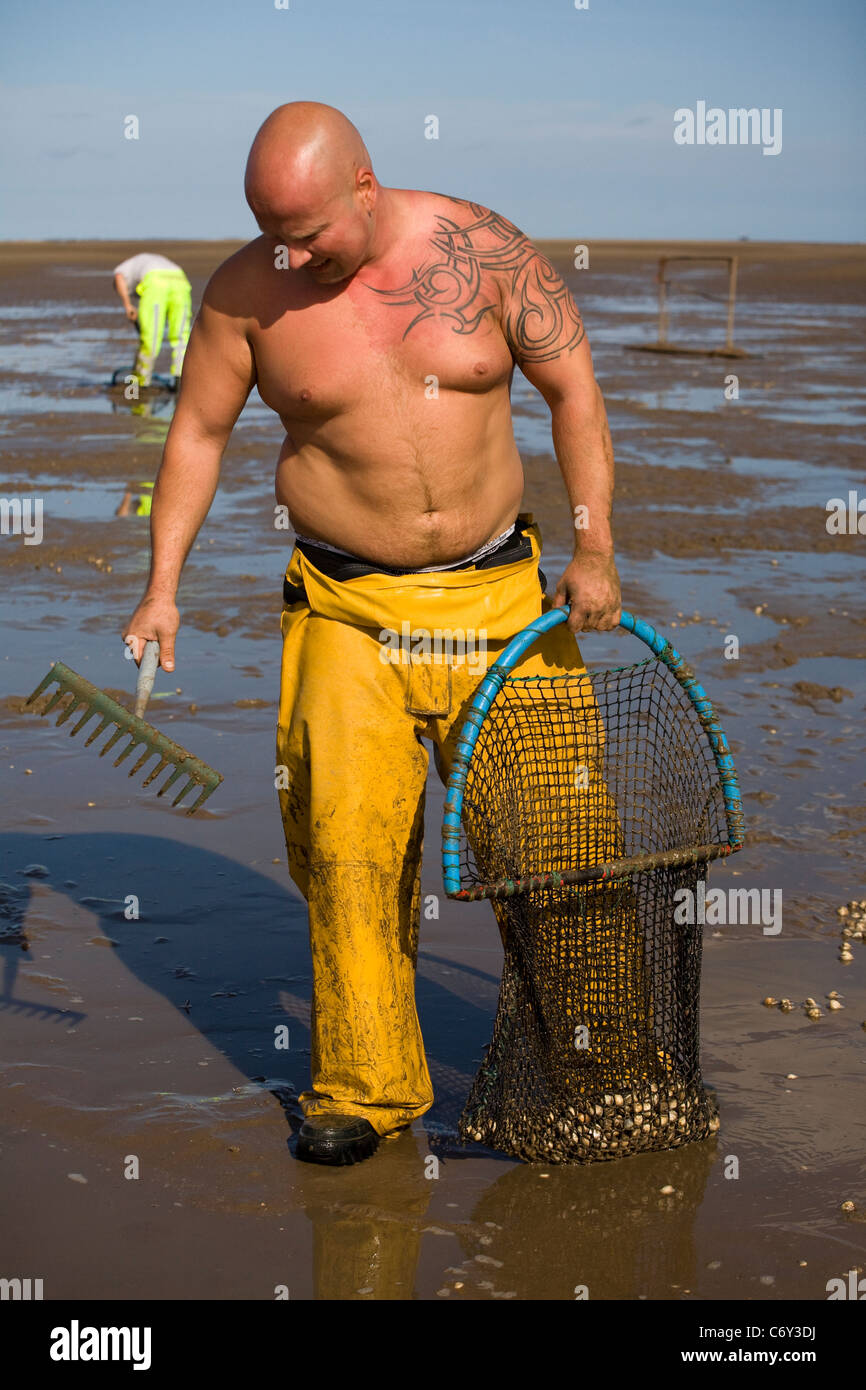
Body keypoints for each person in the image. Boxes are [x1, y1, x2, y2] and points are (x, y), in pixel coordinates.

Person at [123, 102, 621, 1166]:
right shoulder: (245, 297)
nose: (289, 252)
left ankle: (585, 1062)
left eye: (308, 231)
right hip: (345, 609)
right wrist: (161, 587)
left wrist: (595, 550)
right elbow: (198, 433)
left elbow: (572, 389)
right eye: (270, 231)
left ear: (364, 184)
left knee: (558, 847)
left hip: (499, 600)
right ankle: (365, 1085)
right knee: (346, 852)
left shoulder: (480, 250)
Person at [112, 252, 192, 387]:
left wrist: (127, 305)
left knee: (151, 336)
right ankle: (180, 382)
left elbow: (118, 278)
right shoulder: (145, 260)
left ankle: (141, 383)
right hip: (181, 280)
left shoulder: (122, 270)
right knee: (181, 336)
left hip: (155, 281)